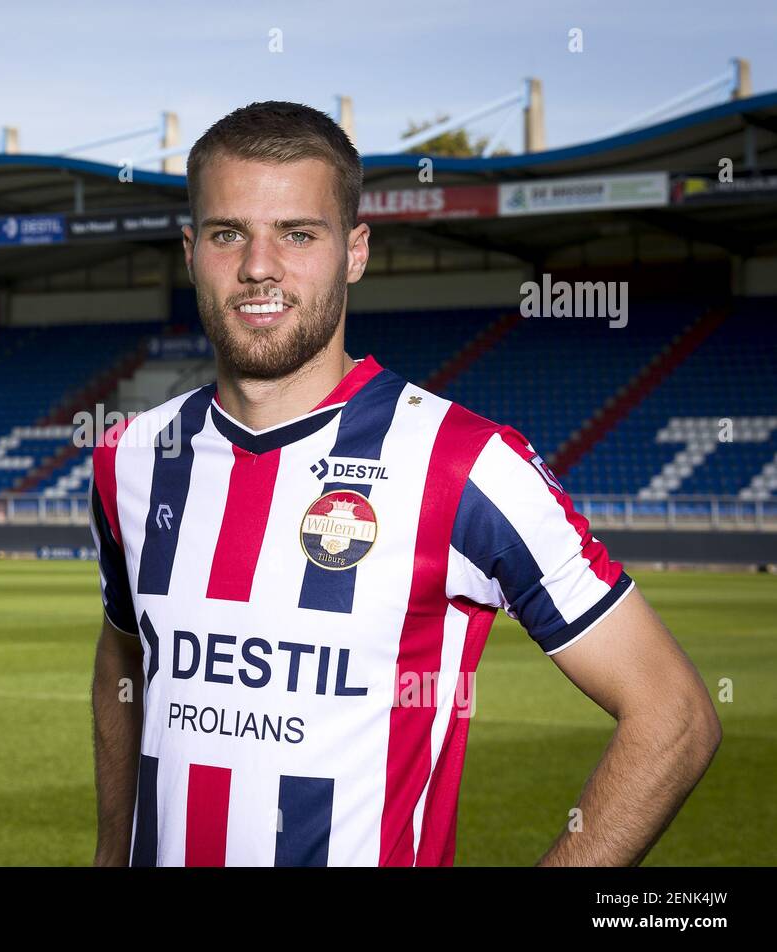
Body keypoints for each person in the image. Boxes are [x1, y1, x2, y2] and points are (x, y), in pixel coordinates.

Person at [88, 100, 721, 867]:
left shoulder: (469, 464)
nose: (260, 266)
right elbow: (124, 657)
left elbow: (676, 715)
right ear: (191, 249)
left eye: (298, 233)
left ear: (354, 250)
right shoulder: (130, 456)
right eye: (229, 233)